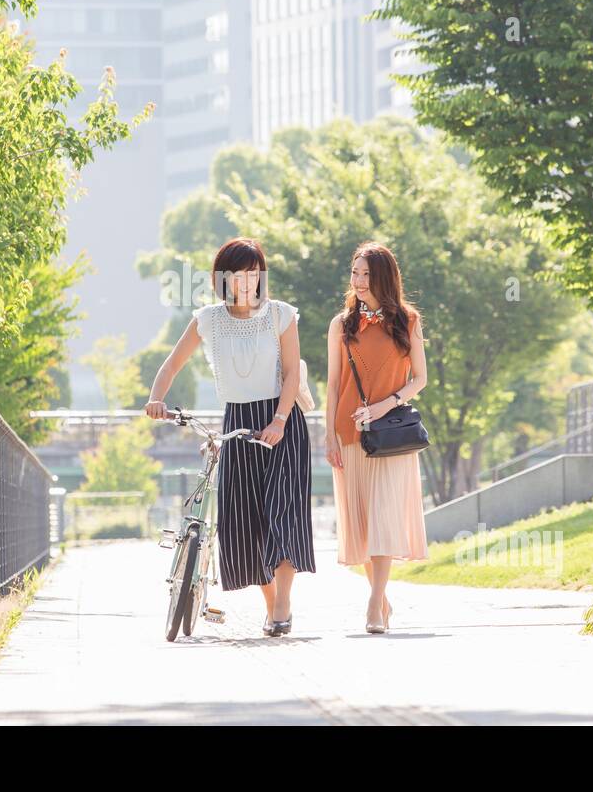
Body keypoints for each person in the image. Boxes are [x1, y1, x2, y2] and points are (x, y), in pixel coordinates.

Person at [145, 237, 315, 637]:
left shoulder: (280, 314)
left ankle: (284, 603)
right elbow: (171, 365)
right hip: (237, 421)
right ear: (223, 278)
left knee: (283, 514)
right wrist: (156, 399)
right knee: (247, 523)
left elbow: (291, 374)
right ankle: (273, 607)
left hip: (281, 420)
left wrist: (278, 421)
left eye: (255, 274)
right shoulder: (208, 319)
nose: (248, 282)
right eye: (239, 274)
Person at [324, 242, 429, 633]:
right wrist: (329, 435)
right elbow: (333, 384)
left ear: (384, 277)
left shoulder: (408, 321)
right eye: (355, 273)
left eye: (367, 273)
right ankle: (382, 598)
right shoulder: (342, 324)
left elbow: (420, 378)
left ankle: (372, 604)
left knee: (384, 518)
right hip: (350, 435)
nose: (359, 281)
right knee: (362, 524)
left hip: (391, 437)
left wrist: (387, 404)